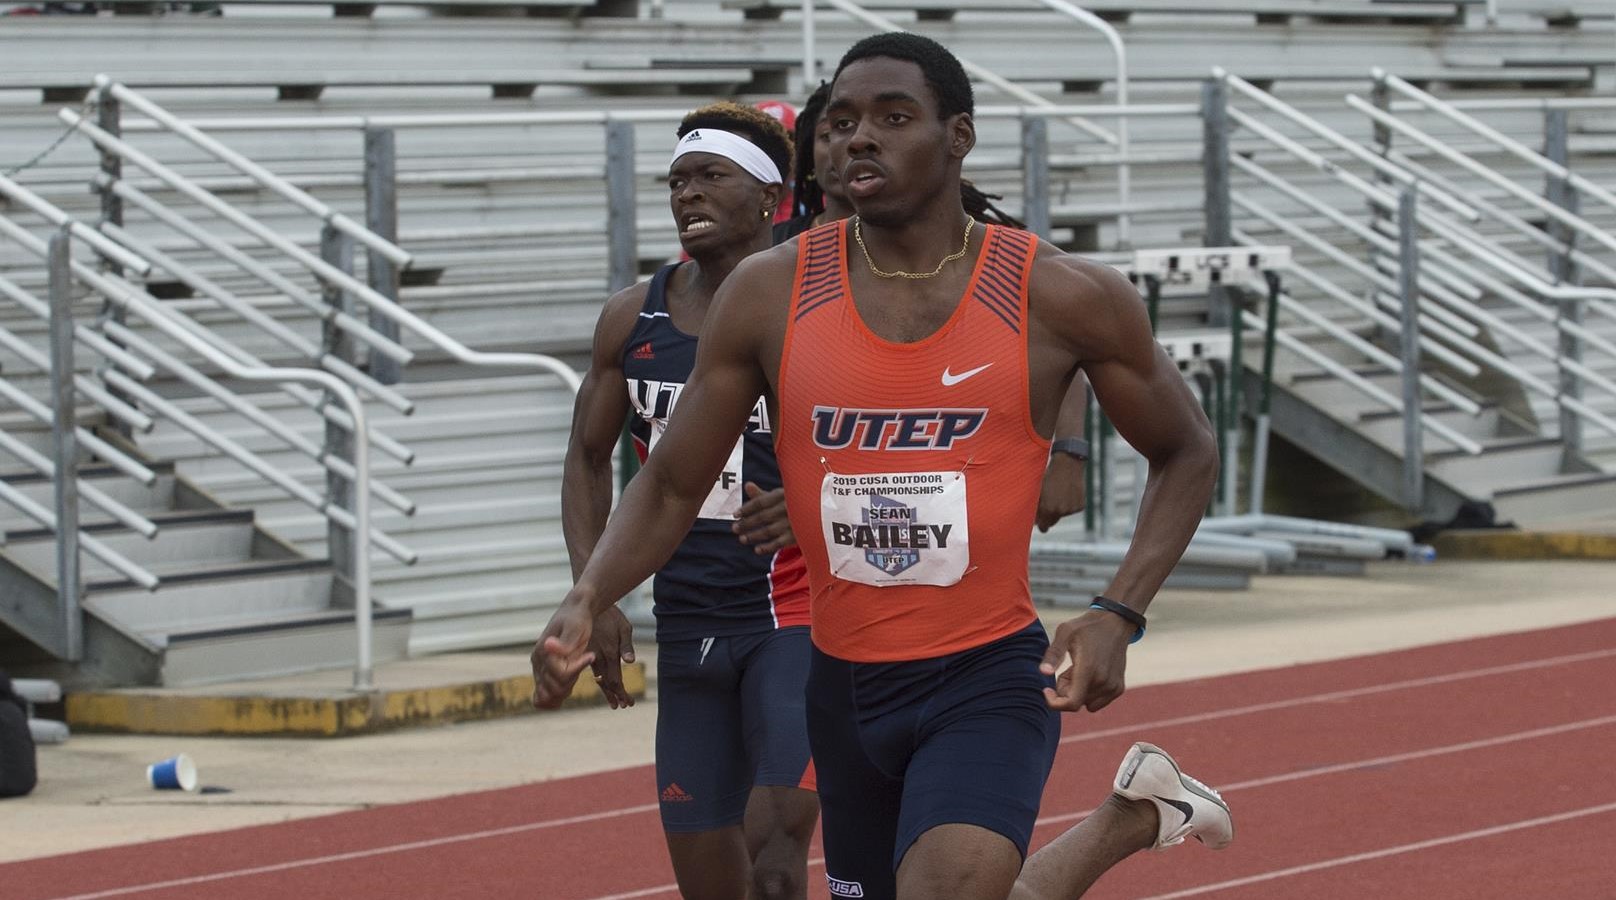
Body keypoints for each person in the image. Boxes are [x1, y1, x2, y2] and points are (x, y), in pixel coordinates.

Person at [535, 32, 1232, 900]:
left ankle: (1123, 820)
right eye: (843, 122)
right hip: (845, 687)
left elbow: (1186, 449)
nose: (859, 138)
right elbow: (672, 482)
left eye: (893, 119)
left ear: (958, 136)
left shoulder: (1058, 292)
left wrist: (1117, 612)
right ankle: (1126, 821)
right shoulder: (770, 294)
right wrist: (586, 593)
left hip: (983, 674)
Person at [560, 101, 817, 900]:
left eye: (712, 177)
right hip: (690, 619)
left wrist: (813, 500)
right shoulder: (631, 317)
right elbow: (587, 455)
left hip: (797, 617)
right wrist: (596, 593)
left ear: (772, 199)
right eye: (677, 181)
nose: (688, 196)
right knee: (713, 885)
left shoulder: (820, 306)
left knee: (775, 857)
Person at [775, 80, 1090, 528]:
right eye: (831, 132)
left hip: (950, 495)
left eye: (890, 122)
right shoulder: (771, 264)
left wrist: (1069, 450)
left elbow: (1056, 343)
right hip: (802, 525)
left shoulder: (978, 248)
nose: (850, 143)